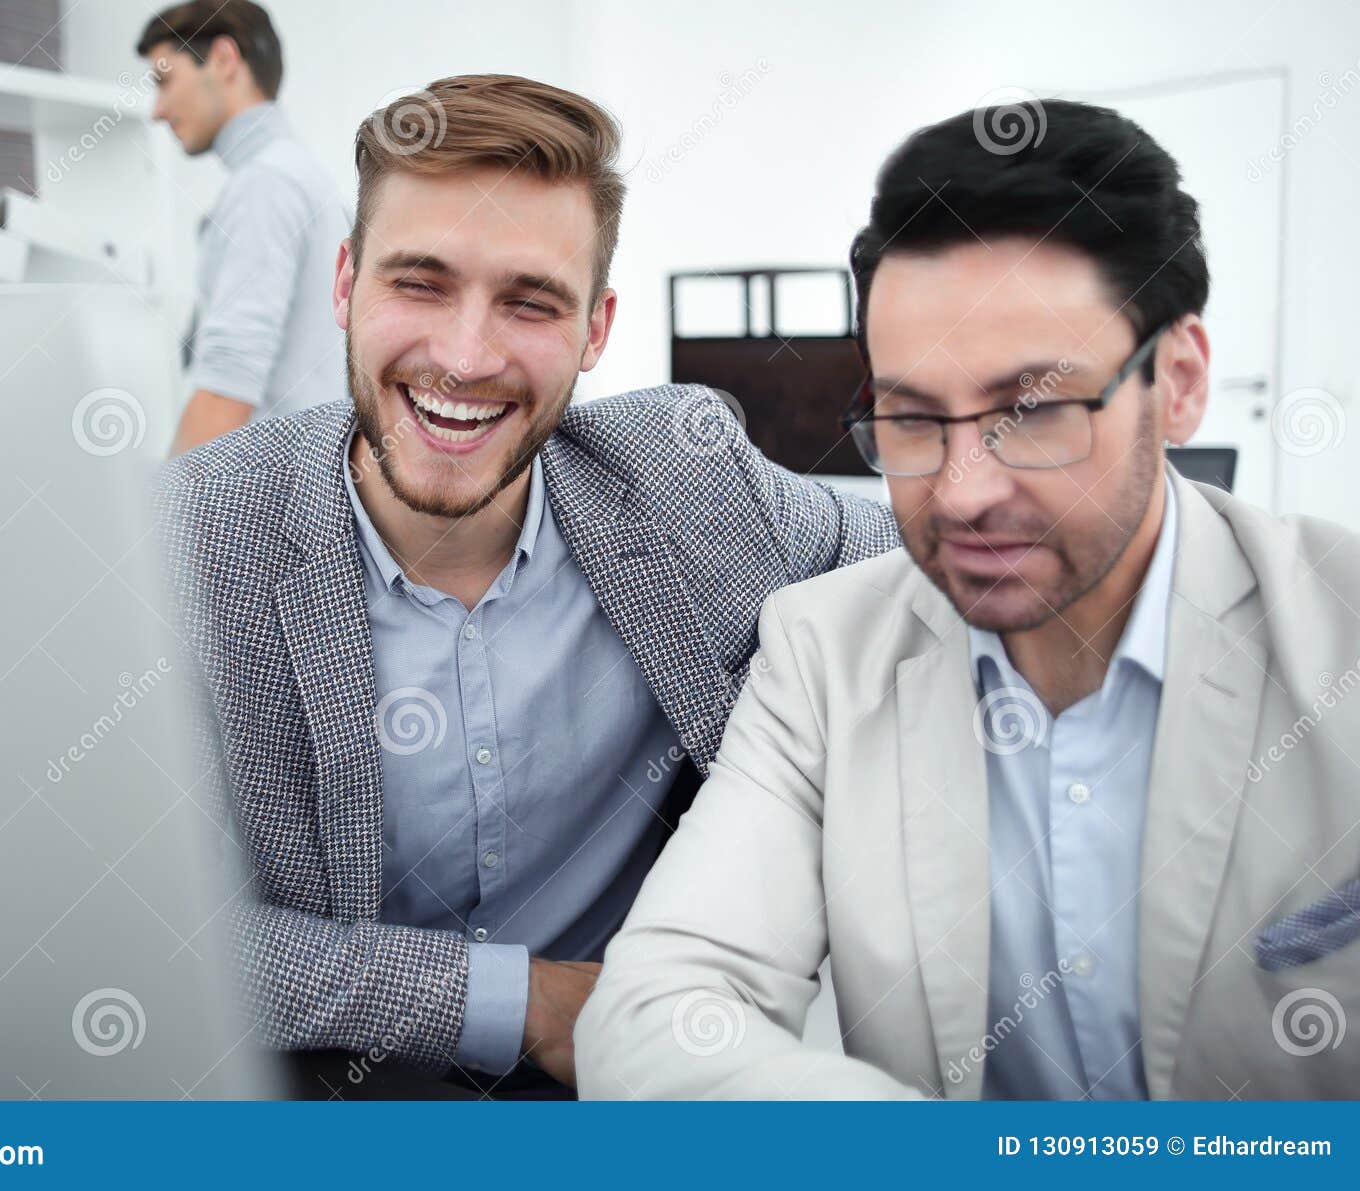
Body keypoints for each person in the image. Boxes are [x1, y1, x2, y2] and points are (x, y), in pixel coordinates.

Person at [575, 99, 1360, 1100]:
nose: (961, 492)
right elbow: (653, 1015)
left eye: (1031, 411)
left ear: (1178, 380)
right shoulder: (822, 656)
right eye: (909, 419)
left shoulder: (1337, 638)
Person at [154, 74, 900, 1098]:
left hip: (631, 1085)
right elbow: (121, 927)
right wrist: (517, 1002)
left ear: (595, 329)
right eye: (419, 283)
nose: (465, 356)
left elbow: (937, 553)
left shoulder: (689, 479)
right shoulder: (189, 536)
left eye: (530, 302)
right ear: (343, 284)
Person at [137, 0, 350, 454]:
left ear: (224, 60)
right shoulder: (296, 174)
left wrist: (163, 519)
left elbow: (228, 382)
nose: (156, 110)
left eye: (164, 79)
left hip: (262, 501)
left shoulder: (266, 184)